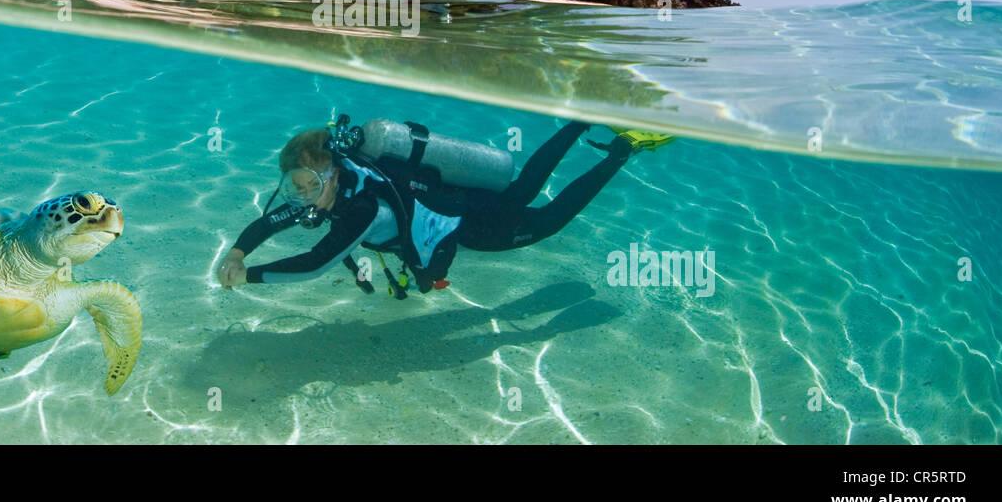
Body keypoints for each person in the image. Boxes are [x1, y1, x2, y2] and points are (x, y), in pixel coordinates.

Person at [216, 118, 672, 295]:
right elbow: (272, 220)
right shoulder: (341, 180)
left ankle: (621, 150)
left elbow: (316, 263)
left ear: (331, 172)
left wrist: (249, 275)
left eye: (305, 183)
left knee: (549, 220)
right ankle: (578, 121)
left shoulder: (363, 209)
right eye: (292, 185)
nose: (298, 195)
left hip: (472, 226)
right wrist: (238, 251)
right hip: (454, 196)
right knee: (523, 187)